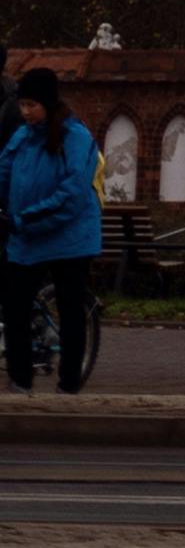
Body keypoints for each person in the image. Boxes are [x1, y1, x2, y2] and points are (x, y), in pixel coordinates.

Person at [4, 65, 103, 395]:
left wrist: (24, 220)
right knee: (15, 308)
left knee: (70, 310)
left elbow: (72, 195)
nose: (25, 112)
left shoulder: (77, 138)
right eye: (22, 105)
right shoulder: (22, 137)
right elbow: (3, 174)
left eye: (31, 105)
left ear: (48, 103)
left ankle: (69, 385)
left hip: (70, 239)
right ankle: (20, 382)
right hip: (27, 237)